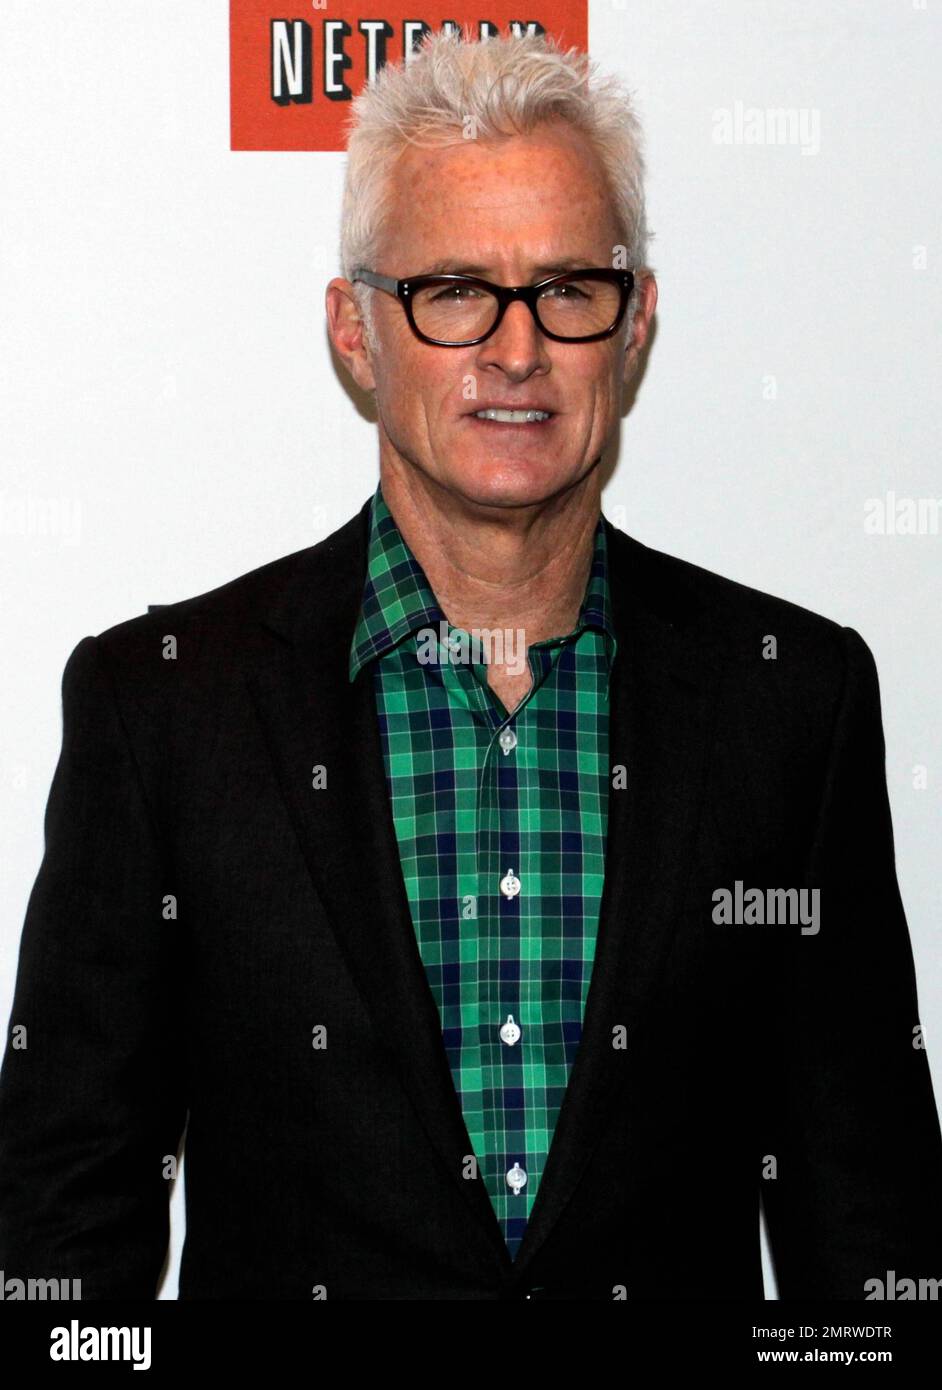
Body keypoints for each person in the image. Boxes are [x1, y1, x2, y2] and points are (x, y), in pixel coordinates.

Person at [0, 27, 940, 1302]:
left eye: (568, 290)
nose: (516, 350)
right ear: (355, 329)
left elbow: (868, 1223)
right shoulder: (162, 709)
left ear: (635, 321)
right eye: (453, 291)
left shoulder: (792, 701)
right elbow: (64, 1231)